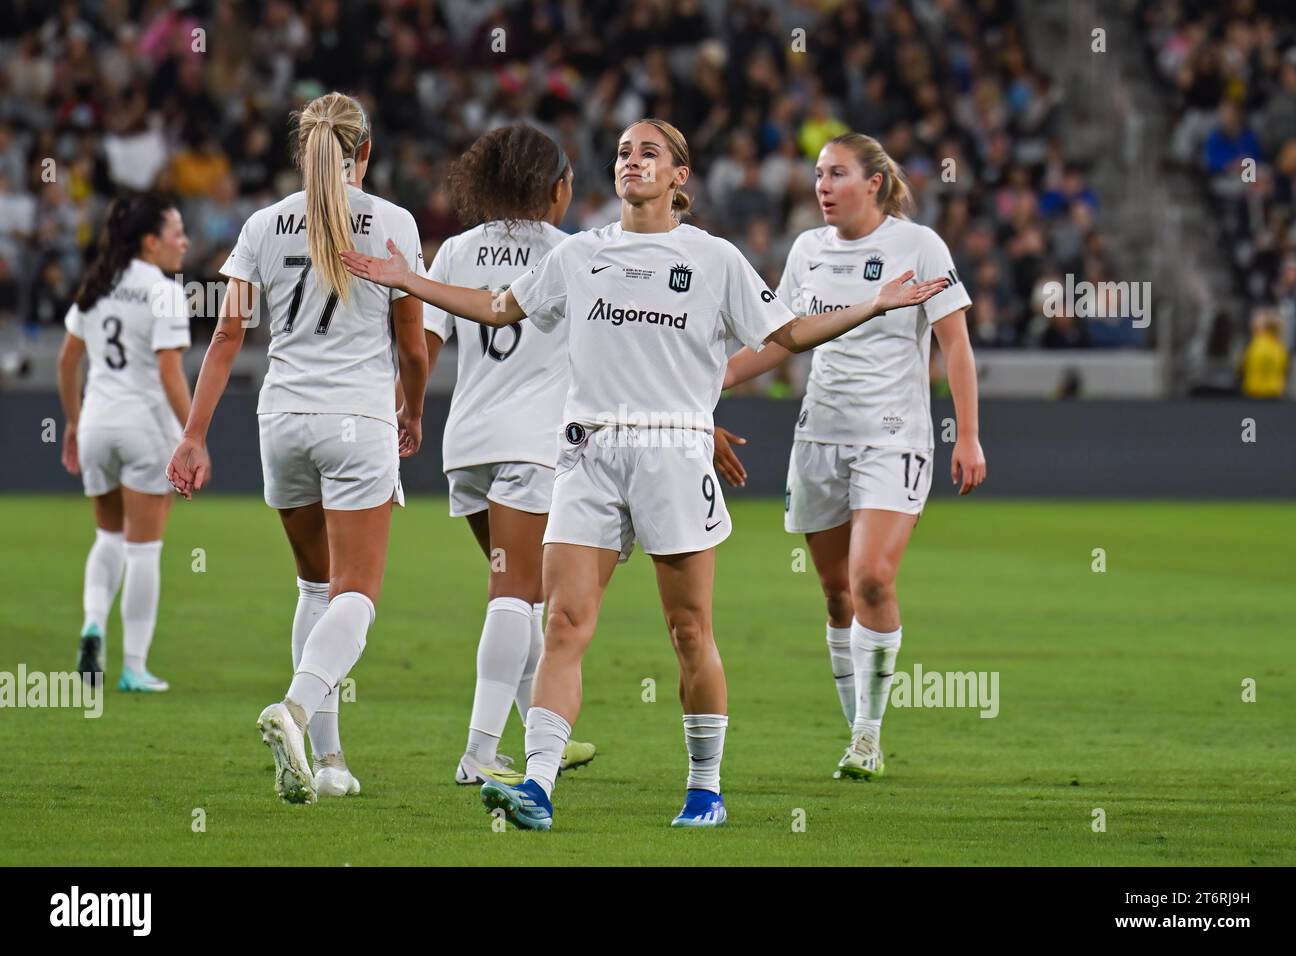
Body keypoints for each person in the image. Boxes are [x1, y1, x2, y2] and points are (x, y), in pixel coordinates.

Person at [341, 119, 948, 829]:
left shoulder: (714, 259)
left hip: (674, 454)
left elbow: (788, 334)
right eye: (625, 152)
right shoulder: (582, 254)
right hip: (588, 453)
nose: (632, 161)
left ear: (679, 176)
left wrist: (874, 304)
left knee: (689, 631)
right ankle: (536, 784)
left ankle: (705, 789)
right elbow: (500, 306)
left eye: (649, 152)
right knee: (564, 622)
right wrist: (406, 280)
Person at [166, 92, 428, 804]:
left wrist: (193, 434)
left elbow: (225, 339)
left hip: (281, 419)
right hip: (357, 419)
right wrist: (413, 407)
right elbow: (412, 347)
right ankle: (296, 711)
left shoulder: (260, 225)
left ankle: (332, 760)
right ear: (364, 152)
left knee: (316, 587)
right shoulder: (395, 223)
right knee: (359, 594)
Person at [720, 133, 985, 780]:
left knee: (872, 578)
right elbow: (781, 339)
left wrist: (969, 434)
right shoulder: (807, 250)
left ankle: (868, 735)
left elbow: (954, 344)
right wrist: (710, 382)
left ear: (873, 182)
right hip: (819, 436)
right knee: (837, 594)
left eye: (837, 174)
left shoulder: (918, 246)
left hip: (894, 437)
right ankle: (856, 731)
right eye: (817, 174)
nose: (822, 186)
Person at [423, 124, 596, 786]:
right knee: (517, 592)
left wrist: (407, 410)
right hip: (534, 444)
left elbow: (423, 344)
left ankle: (537, 732)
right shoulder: (574, 255)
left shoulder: (456, 251)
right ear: (555, 190)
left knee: (521, 596)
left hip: (467, 446)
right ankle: (478, 753)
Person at [57, 192, 193, 693]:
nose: (186, 241)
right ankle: (134, 666)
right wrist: (194, 433)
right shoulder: (162, 291)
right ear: (151, 241)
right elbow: (169, 371)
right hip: (144, 428)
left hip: (95, 424)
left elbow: (67, 361)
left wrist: (73, 422)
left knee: (107, 538)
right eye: (177, 231)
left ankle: (93, 623)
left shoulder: (96, 286)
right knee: (143, 550)